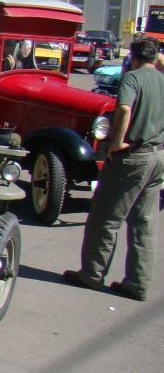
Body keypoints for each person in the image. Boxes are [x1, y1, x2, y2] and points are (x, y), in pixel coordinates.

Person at [63, 36, 164, 302]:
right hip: (158, 156)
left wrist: (117, 142)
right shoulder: (162, 79)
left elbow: (123, 109)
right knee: (144, 223)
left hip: (132, 157)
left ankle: (92, 274)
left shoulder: (133, 78)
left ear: (133, 56)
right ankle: (138, 283)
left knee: (105, 217)